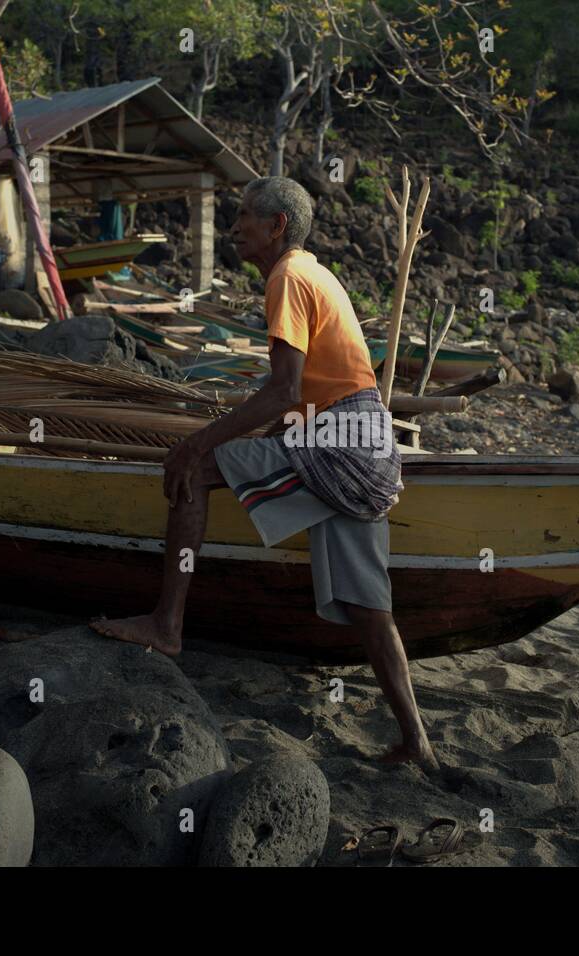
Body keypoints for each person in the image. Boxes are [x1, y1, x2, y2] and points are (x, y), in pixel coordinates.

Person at [91, 176, 437, 769]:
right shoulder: (314, 271)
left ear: (276, 226)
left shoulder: (286, 277)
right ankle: (417, 743)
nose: (236, 226)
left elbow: (283, 391)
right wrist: (261, 430)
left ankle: (166, 625)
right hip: (367, 448)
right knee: (371, 609)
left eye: (246, 216)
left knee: (193, 473)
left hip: (337, 446)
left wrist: (198, 442)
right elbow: (306, 394)